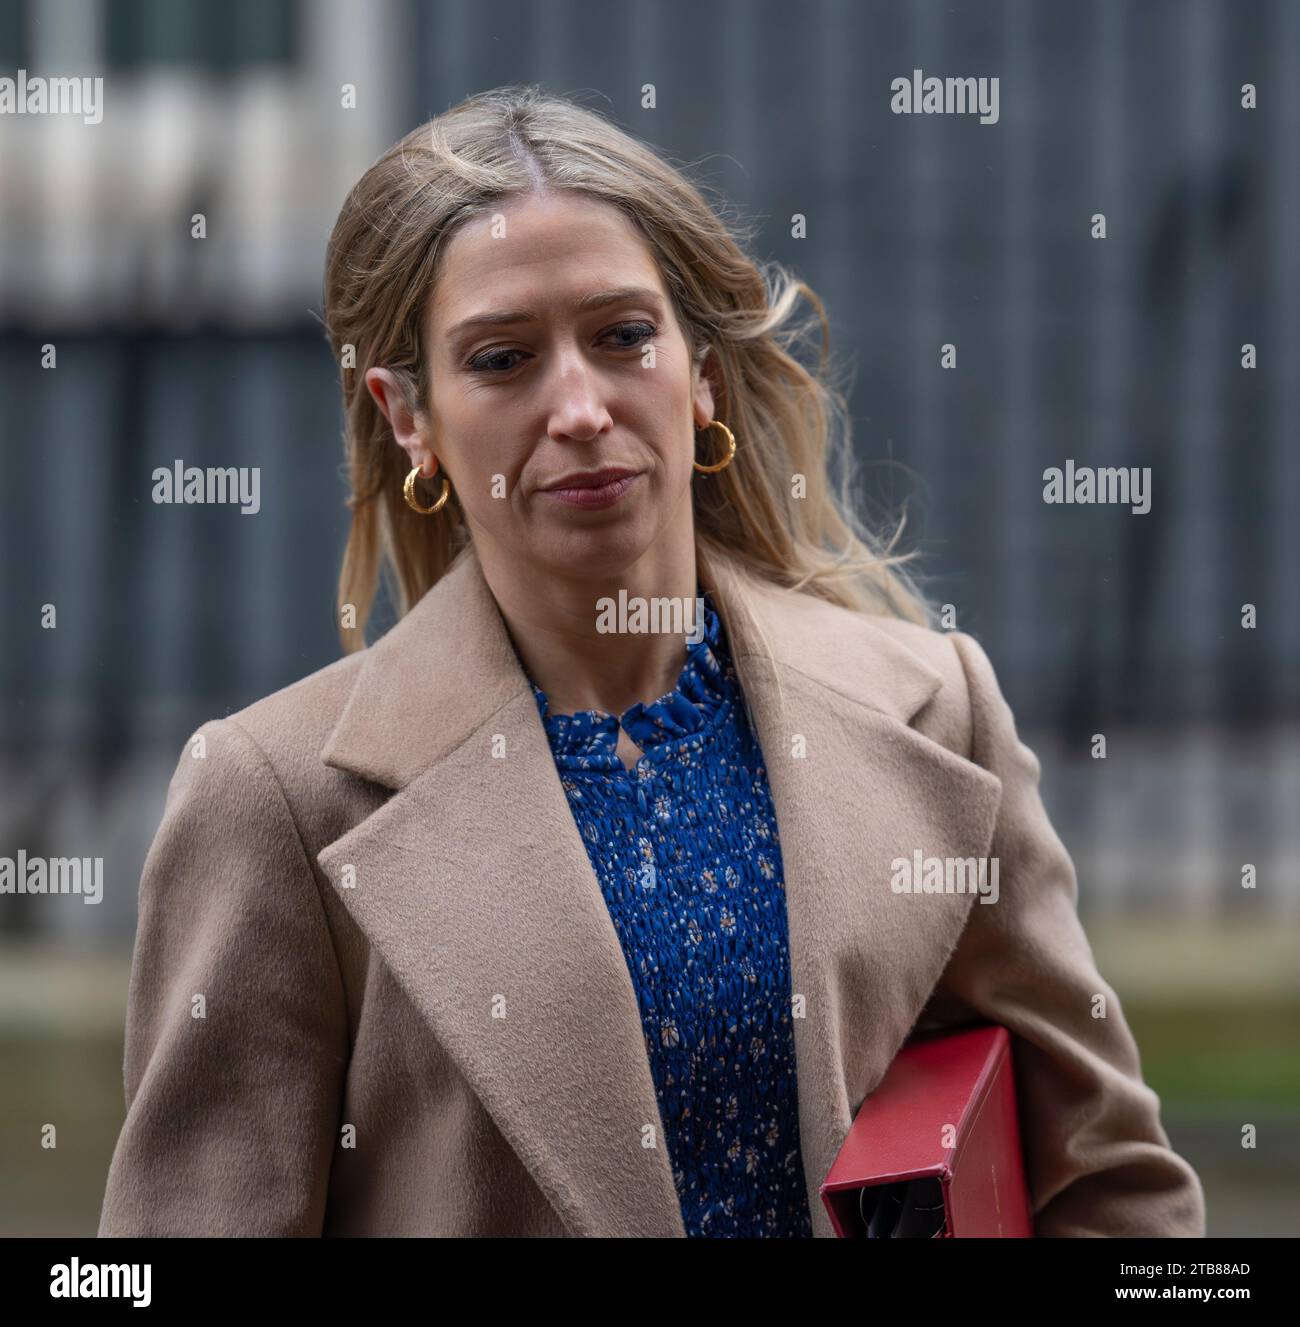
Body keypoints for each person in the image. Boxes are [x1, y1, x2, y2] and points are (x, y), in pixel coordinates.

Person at [98, 85, 1205, 1238]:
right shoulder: (277, 803)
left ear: (702, 370)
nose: (578, 405)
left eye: (623, 336)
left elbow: (1112, 1191)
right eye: (503, 357)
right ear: (408, 416)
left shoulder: (933, 711)